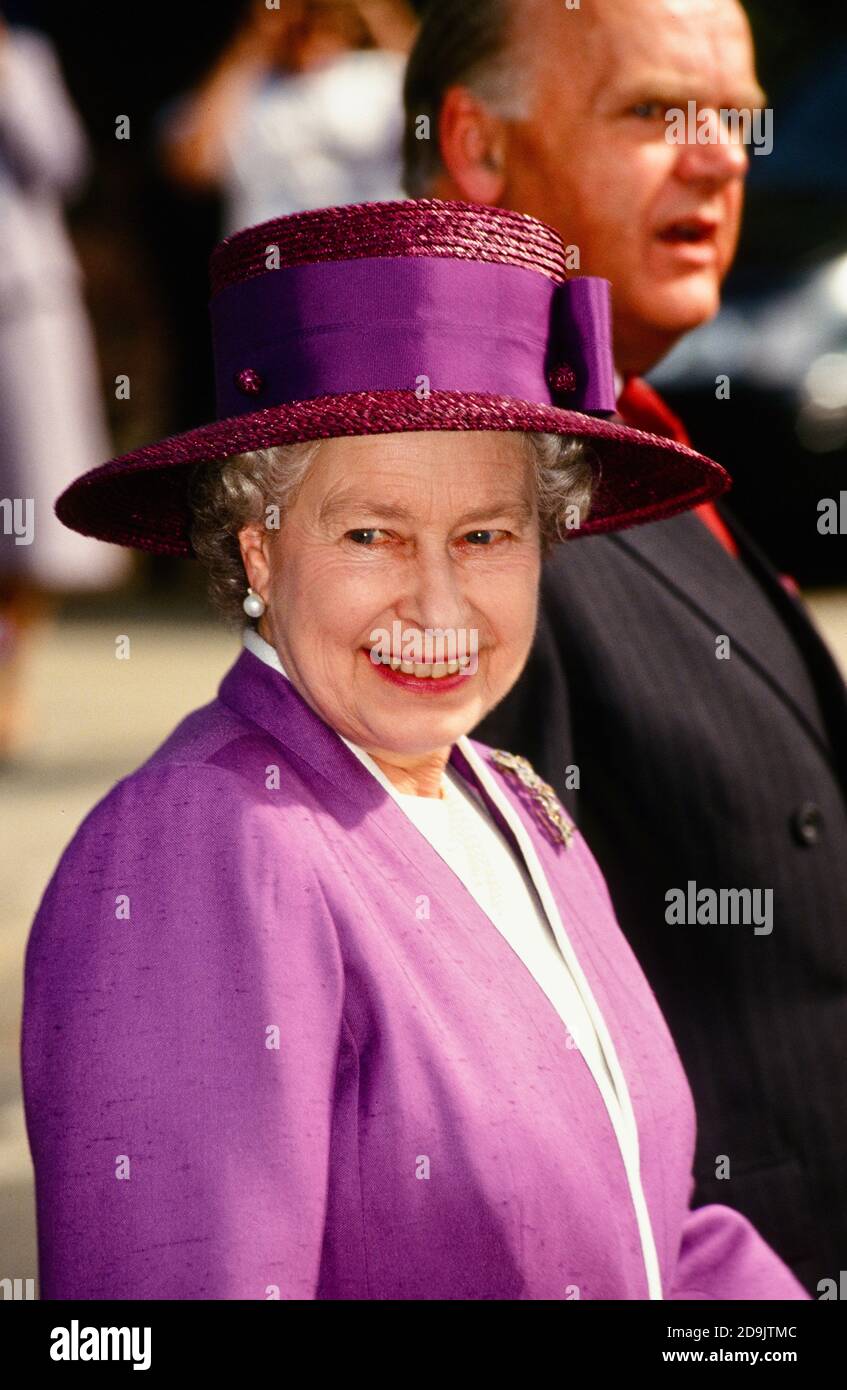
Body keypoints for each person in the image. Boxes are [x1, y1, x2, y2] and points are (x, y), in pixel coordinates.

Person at [21, 197, 807, 1300]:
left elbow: (649, 1237)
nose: (437, 600)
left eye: (485, 534)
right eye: (370, 533)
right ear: (257, 547)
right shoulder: (203, 844)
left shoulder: (509, 800)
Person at [402, 0, 847, 1294]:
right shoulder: (462, 509)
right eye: (654, 113)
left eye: (732, 117)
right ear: (477, 152)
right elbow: (487, 1106)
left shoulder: (614, 435)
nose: (718, 157)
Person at [0, 16, 129, 756]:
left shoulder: (25, 58)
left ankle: (11, 684)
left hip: (22, 304)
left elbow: (61, 162)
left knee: (21, 501)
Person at [160, 0, 416, 235]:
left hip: (376, 264)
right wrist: (252, 41)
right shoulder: (242, 90)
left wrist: (378, 10)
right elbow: (190, 166)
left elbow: (441, 119)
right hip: (269, 273)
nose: (304, 22)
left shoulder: (380, 75)